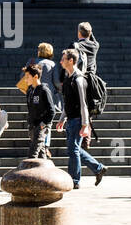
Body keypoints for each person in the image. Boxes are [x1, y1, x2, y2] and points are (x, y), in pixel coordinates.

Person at [59, 49, 106, 188]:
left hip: (78, 120)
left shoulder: (79, 79)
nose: (61, 61)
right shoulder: (68, 78)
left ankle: (74, 181)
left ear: (71, 61)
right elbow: (68, 102)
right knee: (75, 149)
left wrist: (85, 124)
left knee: (73, 149)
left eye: (63, 59)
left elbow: (83, 103)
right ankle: (98, 168)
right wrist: (62, 118)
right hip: (71, 119)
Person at [23, 65, 58, 159]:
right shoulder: (29, 91)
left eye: (27, 77)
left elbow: (52, 111)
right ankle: (48, 172)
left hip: (42, 125)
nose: (25, 79)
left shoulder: (44, 90)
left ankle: (29, 171)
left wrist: (43, 124)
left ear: (35, 77)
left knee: (32, 153)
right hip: (33, 125)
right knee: (41, 153)